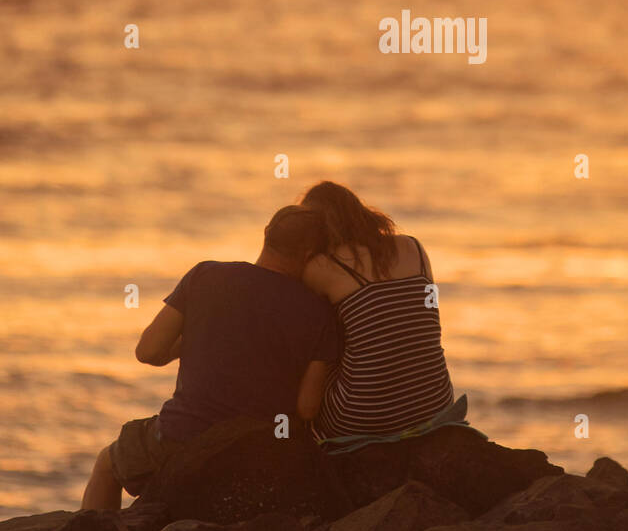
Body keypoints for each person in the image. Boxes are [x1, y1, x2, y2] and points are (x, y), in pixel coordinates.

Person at [81, 205, 339, 510]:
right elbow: (307, 408)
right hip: (260, 448)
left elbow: (149, 352)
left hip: (183, 437)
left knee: (107, 464)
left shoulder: (206, 275)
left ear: (267, 235)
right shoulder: (320, 313)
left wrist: (194, 338)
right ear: (311, 255)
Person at [299, 182, 459, 446]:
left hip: (360, 418)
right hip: (435, 406)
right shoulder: (414, 249)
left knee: (318, 348)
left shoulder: (322, 266)